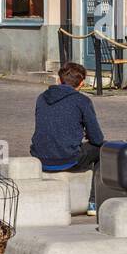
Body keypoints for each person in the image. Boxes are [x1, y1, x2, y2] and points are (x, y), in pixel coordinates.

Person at [30, 62, 105, 190]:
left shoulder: (41, 98)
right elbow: (97, 138)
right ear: (81, 84)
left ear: (59, 80)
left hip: (40, 157)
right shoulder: (82, 101)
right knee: (102, 149)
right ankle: (93, 200)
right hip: (67, 159)